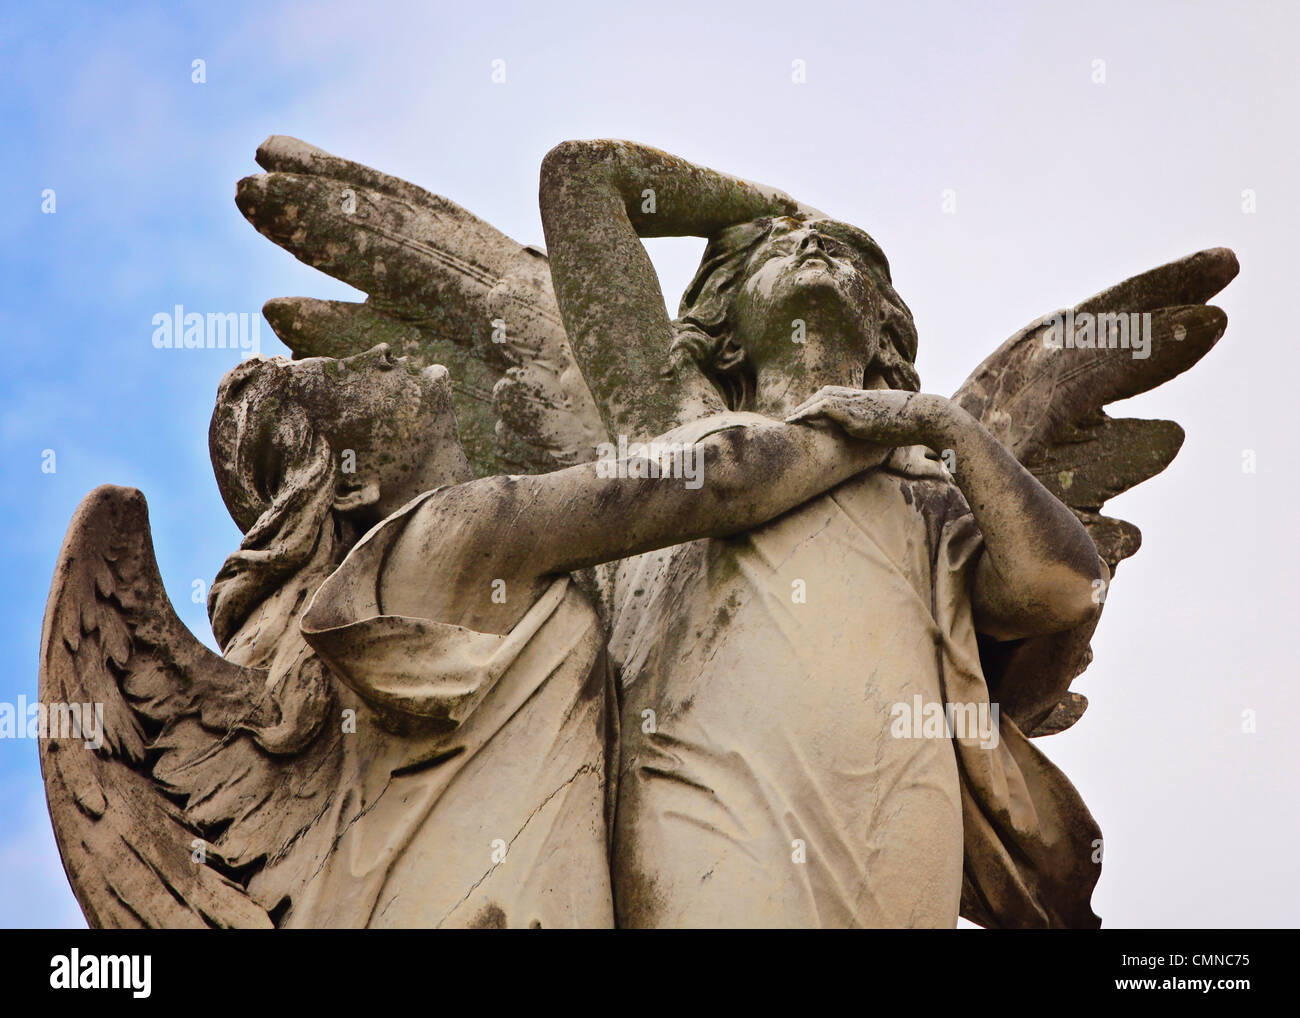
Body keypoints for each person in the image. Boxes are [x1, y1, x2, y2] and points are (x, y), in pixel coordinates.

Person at [537, 139, 1107, 928]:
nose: (810, 244)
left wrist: (944, 427)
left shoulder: (927, 498)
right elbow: (582, 176)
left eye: (844, 254)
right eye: (778, 249)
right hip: (703, 784)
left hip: (897, 804)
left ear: (883, 336)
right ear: (726, 334)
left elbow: (1066, 590)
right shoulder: (679, 426)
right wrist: (778, 209)